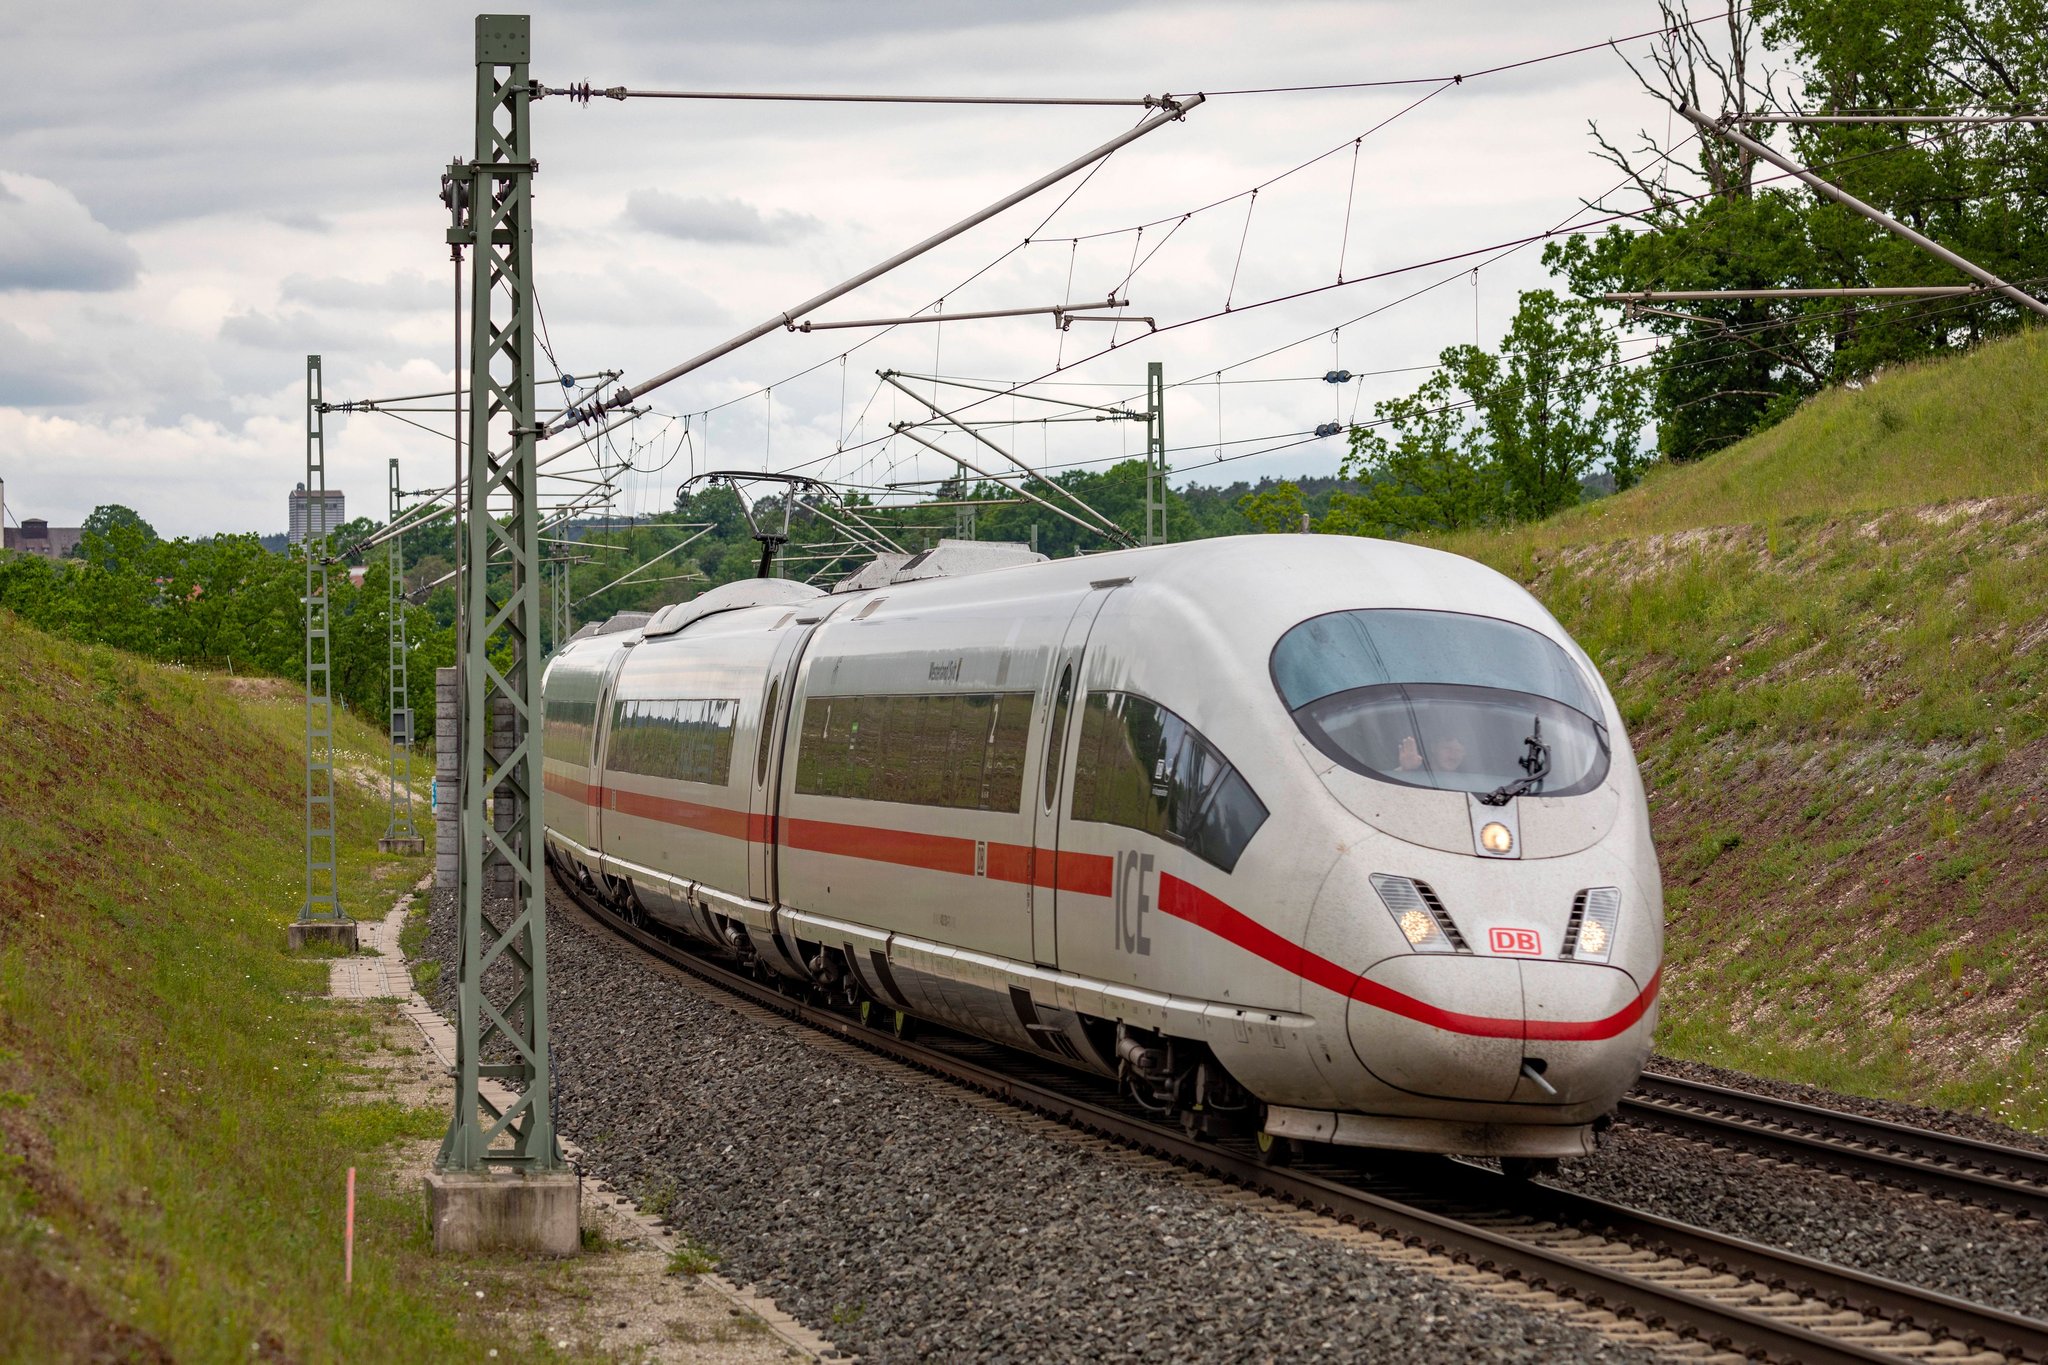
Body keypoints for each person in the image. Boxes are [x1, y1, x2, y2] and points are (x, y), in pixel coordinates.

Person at [1396, 733, 1466, 773]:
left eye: (1458, 751)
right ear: (1433, 748)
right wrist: (1406, 769)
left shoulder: (1469, 780)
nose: (1453, 756)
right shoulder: (1416, 772)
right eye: (1447, 748)